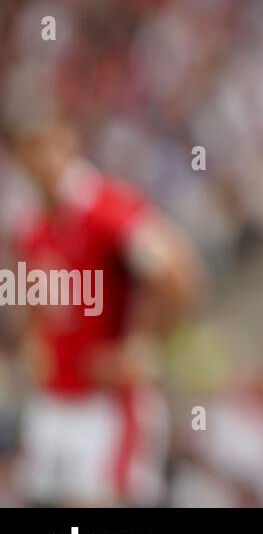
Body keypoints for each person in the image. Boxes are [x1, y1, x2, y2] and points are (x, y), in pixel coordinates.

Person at [3, 85, 204, 506]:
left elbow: (178, 270)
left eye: (46, 143)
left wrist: (143, 344)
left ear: (67, 138)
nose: (40, 160)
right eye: (27, 148)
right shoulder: (33, 227)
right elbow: (43, 309)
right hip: (55, 404)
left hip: (108, 409)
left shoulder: (105, 211)